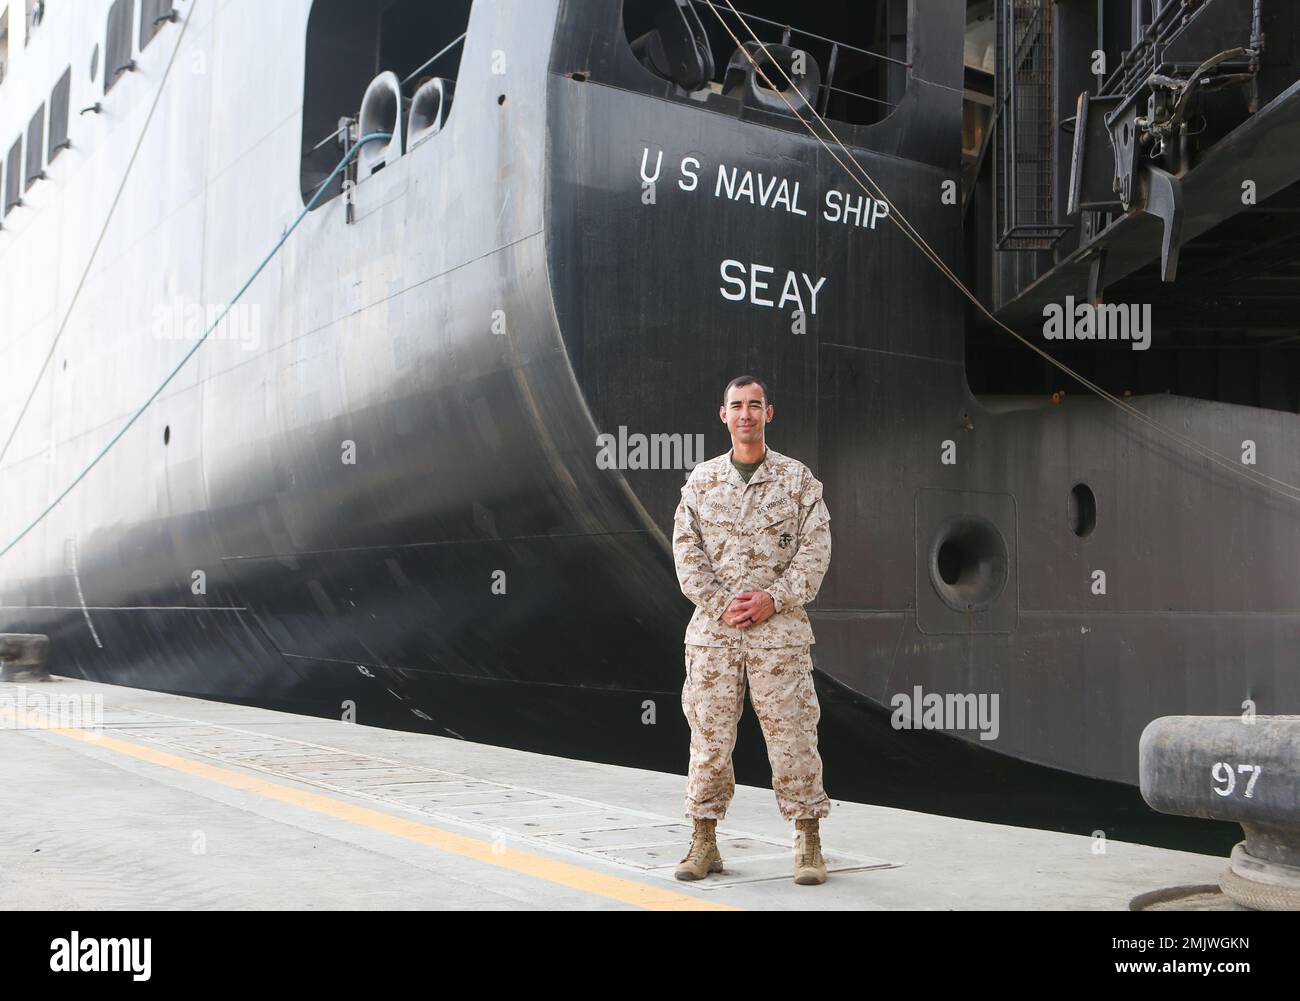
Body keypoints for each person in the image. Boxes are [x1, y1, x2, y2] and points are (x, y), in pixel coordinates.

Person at [671, 375, 832, 885]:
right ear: (723, 415)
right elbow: (685, 550)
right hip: (714, 637)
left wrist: (773, 599)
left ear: (769, 413)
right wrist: (722, 604)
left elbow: (816, 550)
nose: (745, 414)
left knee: (793, 739)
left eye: (754, 406)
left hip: (779, 636)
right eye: (737, 406)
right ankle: (704, 841)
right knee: (710, 740)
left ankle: (808, 842)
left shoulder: (798, 481)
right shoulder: (701, 482)